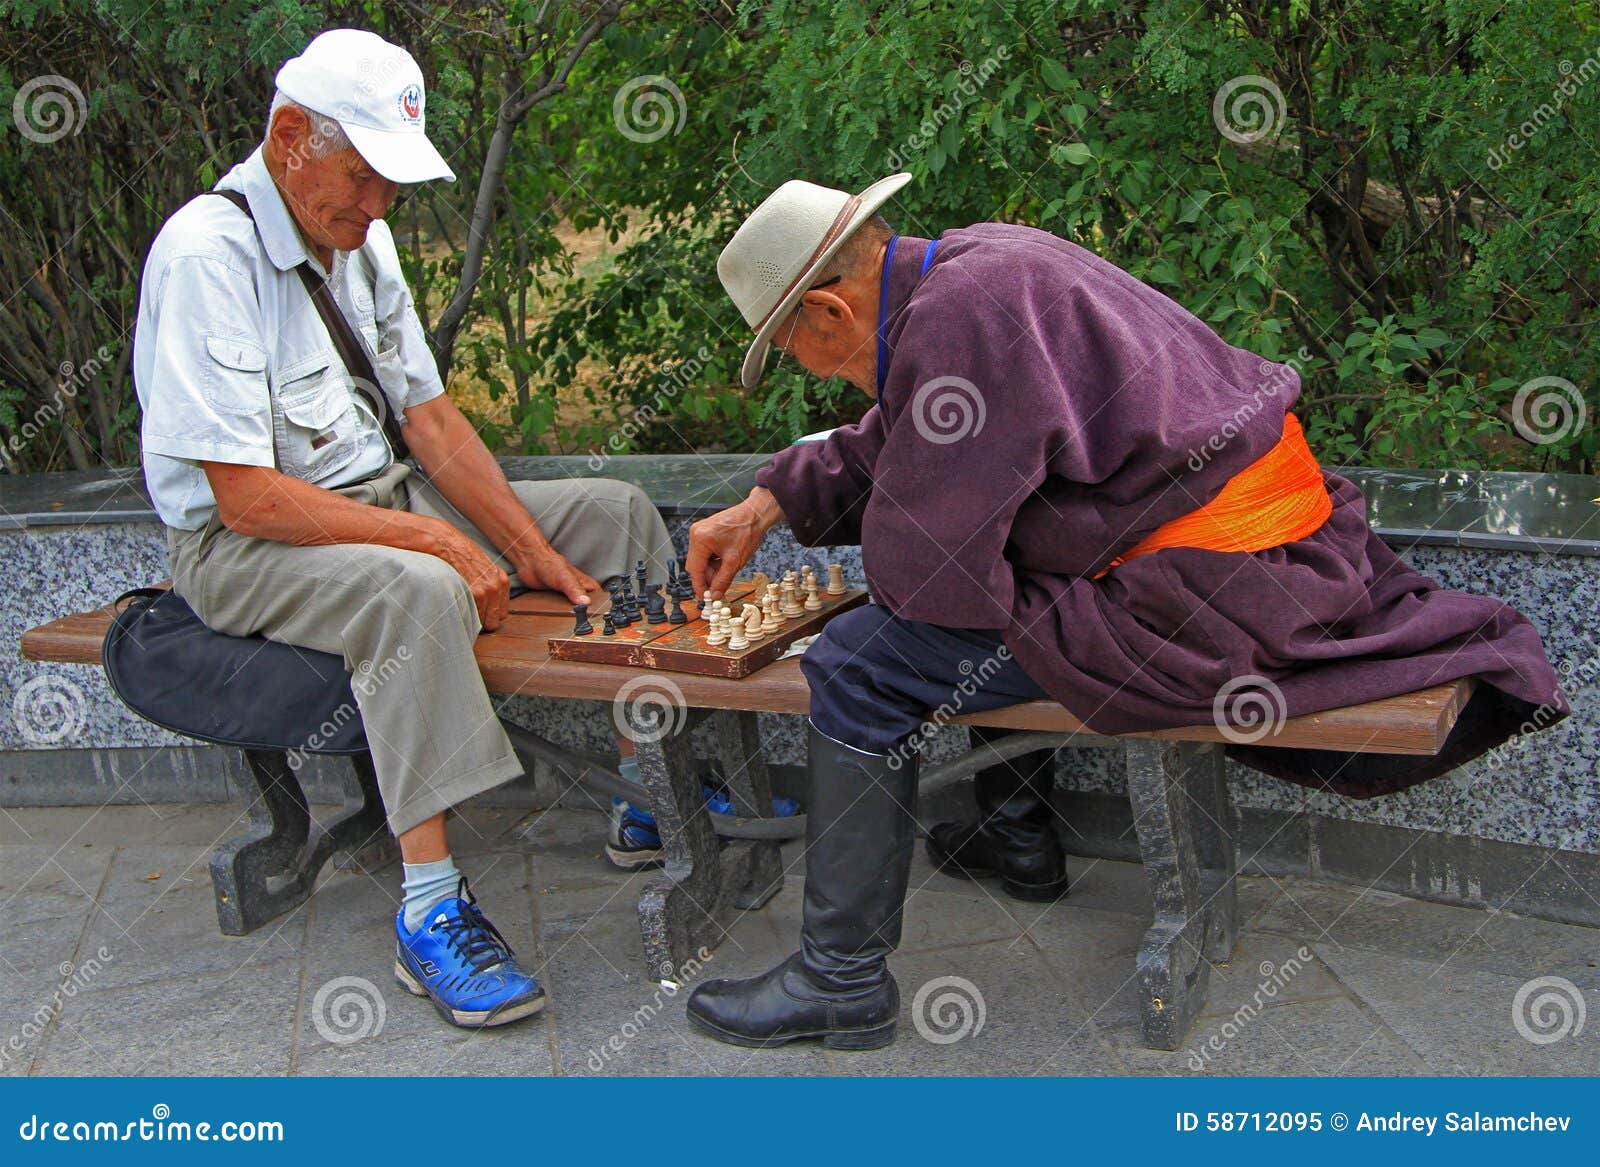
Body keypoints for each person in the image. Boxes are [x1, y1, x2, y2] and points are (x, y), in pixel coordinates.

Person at [681, 174, 1567, 1050]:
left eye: (794, 345)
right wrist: (765, 505)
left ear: (831, 312)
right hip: (1278, 563)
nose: (814, 369)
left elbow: (927, 578)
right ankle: (1016, 835)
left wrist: (904, 540)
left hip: (1217, 599)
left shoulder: (959, 319)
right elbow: (912, 434)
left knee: (862, 658)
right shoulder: (975, 262)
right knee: (1002, 577)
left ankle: (840, 981)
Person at [132, 29, 676, 1030]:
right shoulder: (207, 253)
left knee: (614, 514)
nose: (380, 206)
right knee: (417, 590)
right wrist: (440, 544)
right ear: (290, 136)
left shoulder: (360, 238)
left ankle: (649, 790)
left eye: (392, 183)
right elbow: (247, 498)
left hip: (378, 498)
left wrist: (528, 548)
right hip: (247, 548)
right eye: (365, 176)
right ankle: (431, 912)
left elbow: (426, 418)